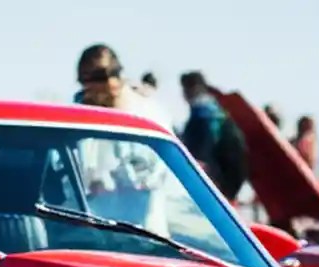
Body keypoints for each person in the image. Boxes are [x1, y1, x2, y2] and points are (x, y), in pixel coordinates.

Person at [72, 44, 172, 234]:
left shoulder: (149, 117)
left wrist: (107, 179)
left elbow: (152, 176)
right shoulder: (79, 116)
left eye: (91, 83)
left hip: (142, 237)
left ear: (113, 80)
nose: (87, 93)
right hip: (88, 237)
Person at [178, 70, 247, 201]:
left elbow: (203, 151)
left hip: (215, 180)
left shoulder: (204, 114)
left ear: (194, 88)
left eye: (185, 89)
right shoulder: (216, 110)